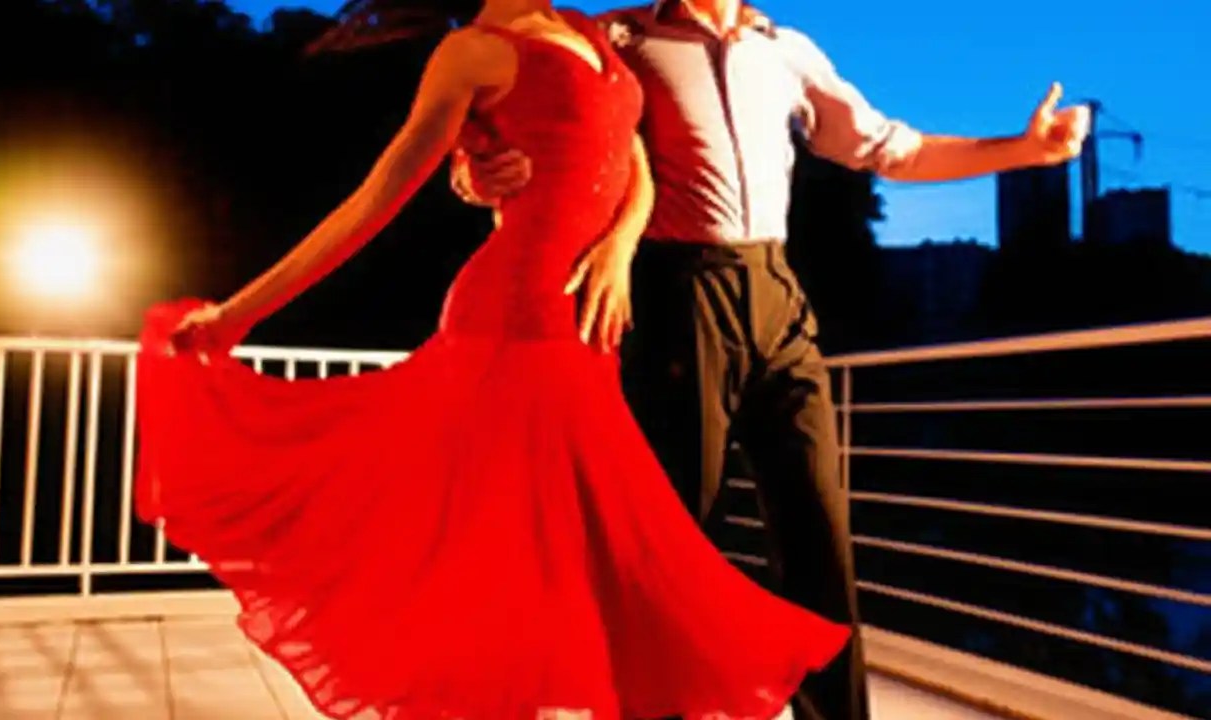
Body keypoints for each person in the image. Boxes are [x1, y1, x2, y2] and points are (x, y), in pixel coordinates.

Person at [133, 0, 852, 718]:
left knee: (595, 563)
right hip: (515, 322)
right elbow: (373, 202)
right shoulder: (474, 53)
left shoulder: (585, 30)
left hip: (584, 330)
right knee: (535, 566)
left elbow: (635, 160)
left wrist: (620, 246)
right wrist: (238, 314)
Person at [450, 2, 1091, 718]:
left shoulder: (785, 50)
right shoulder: (619, 39)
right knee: (679, 545)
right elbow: (528, 109)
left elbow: (891, 149)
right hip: (677, 299)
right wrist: (474, 165)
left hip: (778, 296)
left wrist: (1025, 151)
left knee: (819, 539)